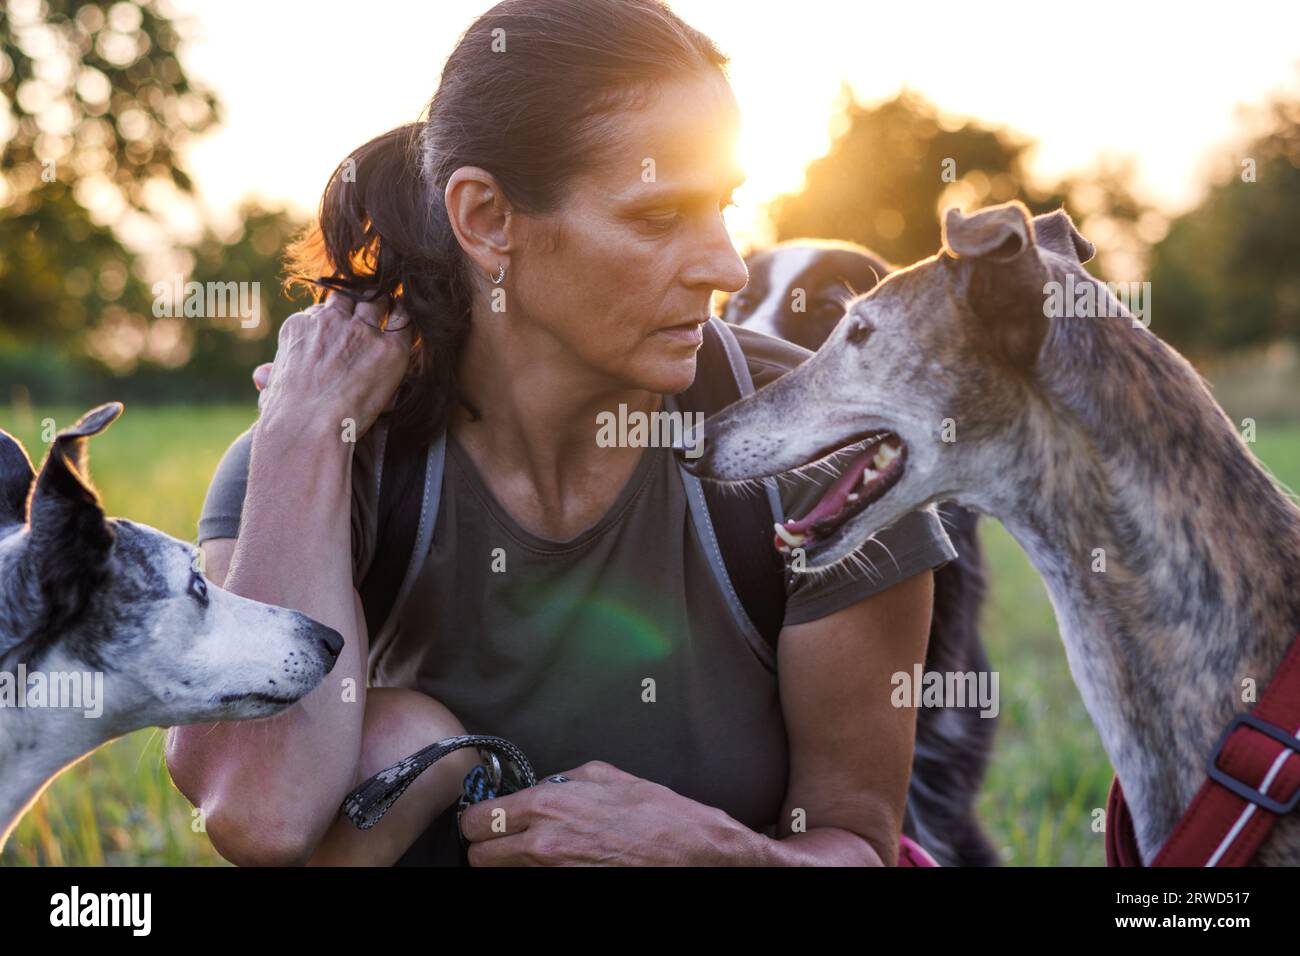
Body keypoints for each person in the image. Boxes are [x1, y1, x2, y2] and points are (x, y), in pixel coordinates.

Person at [165, 0, 957, 866]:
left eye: (726, 206)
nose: (728, 267)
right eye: (658, 219)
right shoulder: (324, 458)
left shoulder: (824, 452)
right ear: (487, 219)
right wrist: (302, 434)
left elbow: (860, 845)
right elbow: (256, 814)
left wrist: (717, 856)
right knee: (400, 741)